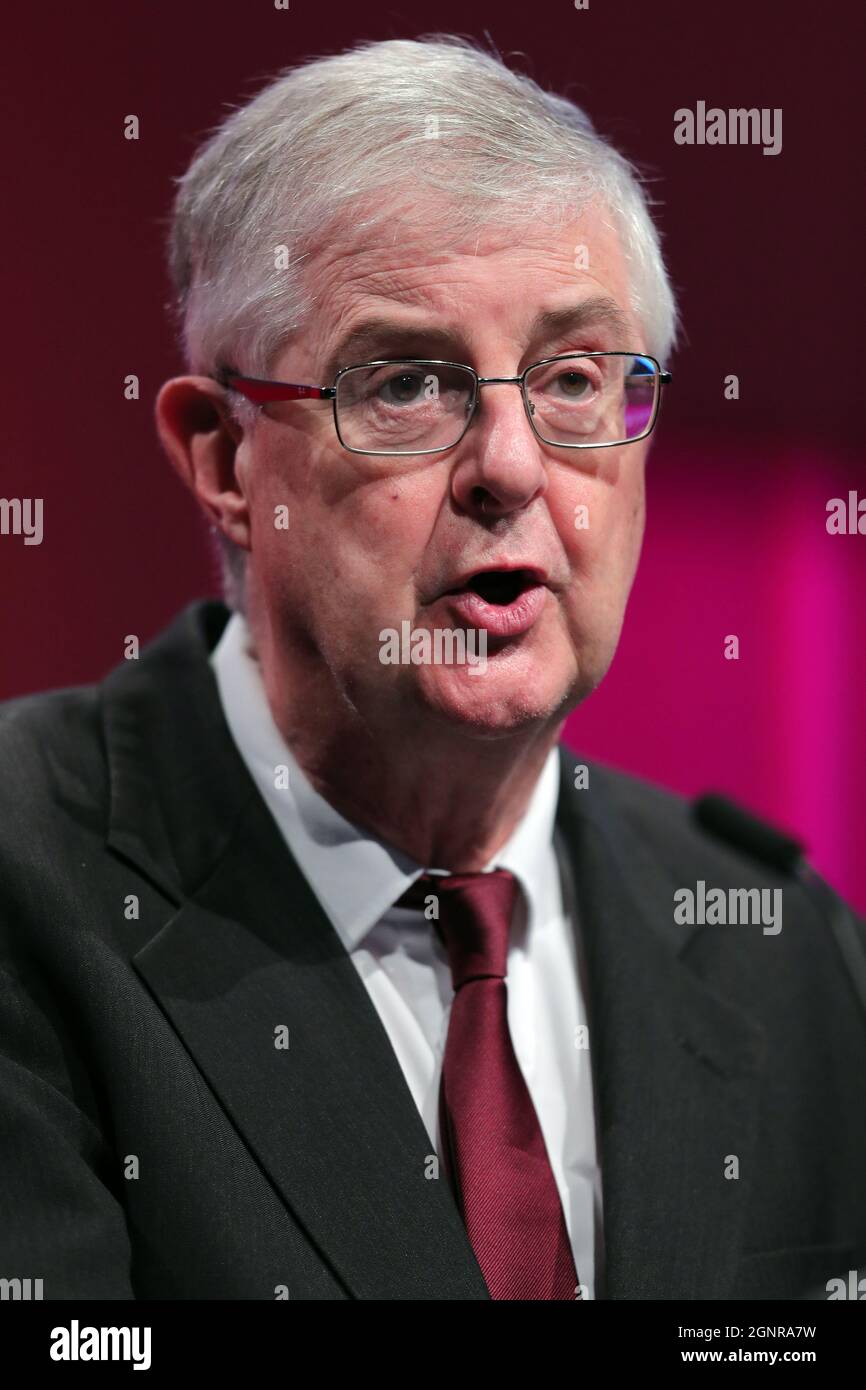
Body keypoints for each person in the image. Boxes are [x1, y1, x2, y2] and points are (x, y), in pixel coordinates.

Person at [1, 34, 864, 1302]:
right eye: (406, 382)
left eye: (574, 379)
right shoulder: (29, 887)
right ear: (224, 460)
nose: (510, 467)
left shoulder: (787, 949)